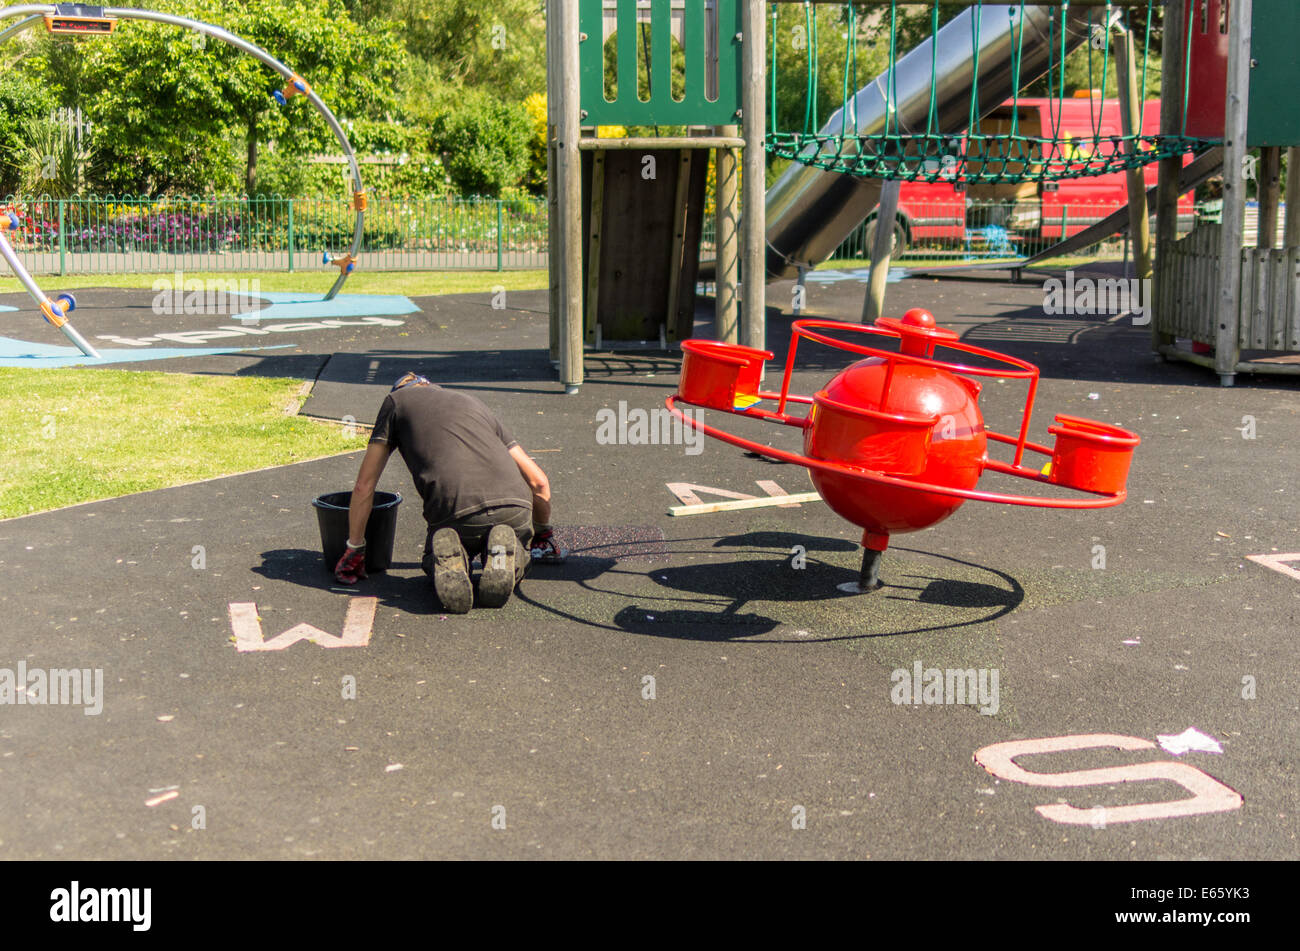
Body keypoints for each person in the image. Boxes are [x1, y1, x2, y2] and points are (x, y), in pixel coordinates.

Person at [333, 373, 557, 612]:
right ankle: (505, 560)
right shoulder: (472, 402)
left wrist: (354, 548)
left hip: (455, 510)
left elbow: (364, 486)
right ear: (429, 385)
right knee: (513, 546)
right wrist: (542, 533)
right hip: (514, 508)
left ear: (398, 390)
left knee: (439, 552)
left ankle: (453, 561)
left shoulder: (395, 402)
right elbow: (539, 482)